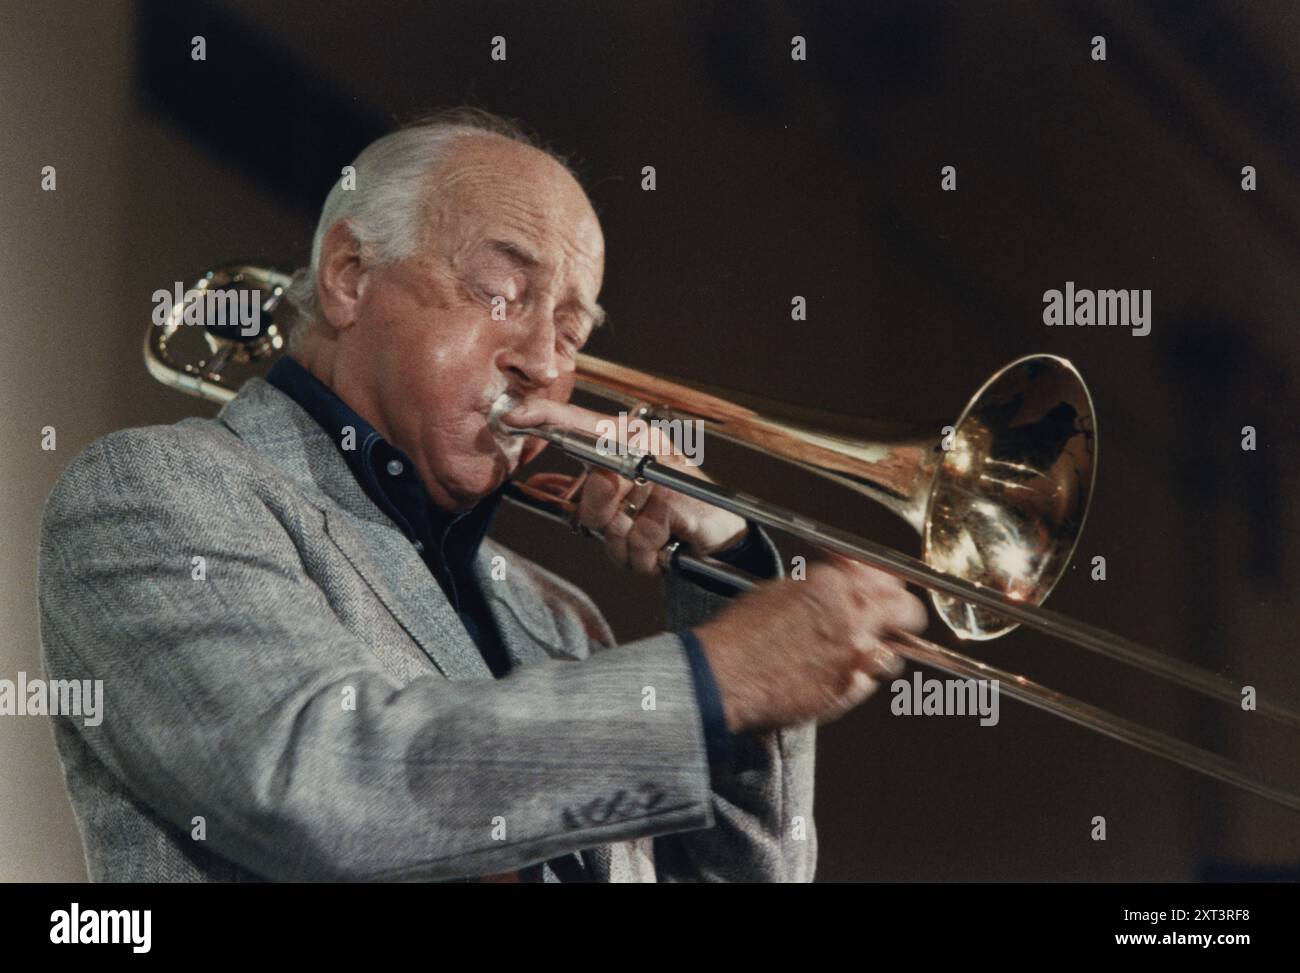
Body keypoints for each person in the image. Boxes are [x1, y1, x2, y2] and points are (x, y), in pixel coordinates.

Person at [37, 109, 927, 882]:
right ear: (349, 274)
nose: (544, 362)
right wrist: (714, 676)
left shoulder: (559, 619)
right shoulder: (157, 493)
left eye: (573, 330)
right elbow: (316, 782)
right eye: (501, 292)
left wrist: (727, 573)